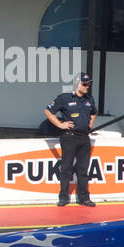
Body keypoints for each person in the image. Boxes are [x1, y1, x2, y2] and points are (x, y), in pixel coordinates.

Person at [44, 73, 98, 207]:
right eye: (85, 84)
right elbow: (48, 111)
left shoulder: (89, 99)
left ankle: (84, 198)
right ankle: (64, 198)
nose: (87, 87)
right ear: (77, 84)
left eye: (88, 84)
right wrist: (60, 124)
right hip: (69, 137)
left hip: (84, 137)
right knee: (66, 168)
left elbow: (93, 113)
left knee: (83, 170)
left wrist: (89, 126)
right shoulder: (65, 98)